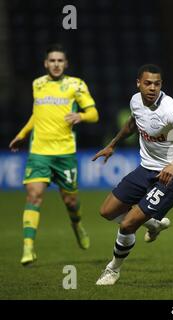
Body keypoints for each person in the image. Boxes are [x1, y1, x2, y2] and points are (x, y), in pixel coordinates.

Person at [93, 64, 173, 285]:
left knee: (127, 225)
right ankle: (152, 224)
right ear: (139, 83)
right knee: (106, 211)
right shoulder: (135, 101)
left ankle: (113, 269)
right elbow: (132, 124)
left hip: (172, 177)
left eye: (157, 83)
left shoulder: (171, 110)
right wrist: (113, 144)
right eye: (148, 83)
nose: (152, 88)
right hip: (146, 169)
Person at [9, 44, 99, 265]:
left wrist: (81, 116)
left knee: (70, 202)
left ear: (65, 64)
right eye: (52, 61)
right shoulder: (37, 84)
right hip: (39, 152)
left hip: (64, 154)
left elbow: (94, 113)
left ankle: (76, 224)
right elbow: (36, 114)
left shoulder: (76, 85)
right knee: (33, 196)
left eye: (60, 61)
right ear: (45, 63)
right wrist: (22, 134)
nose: (56, 64)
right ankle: (28, 248)